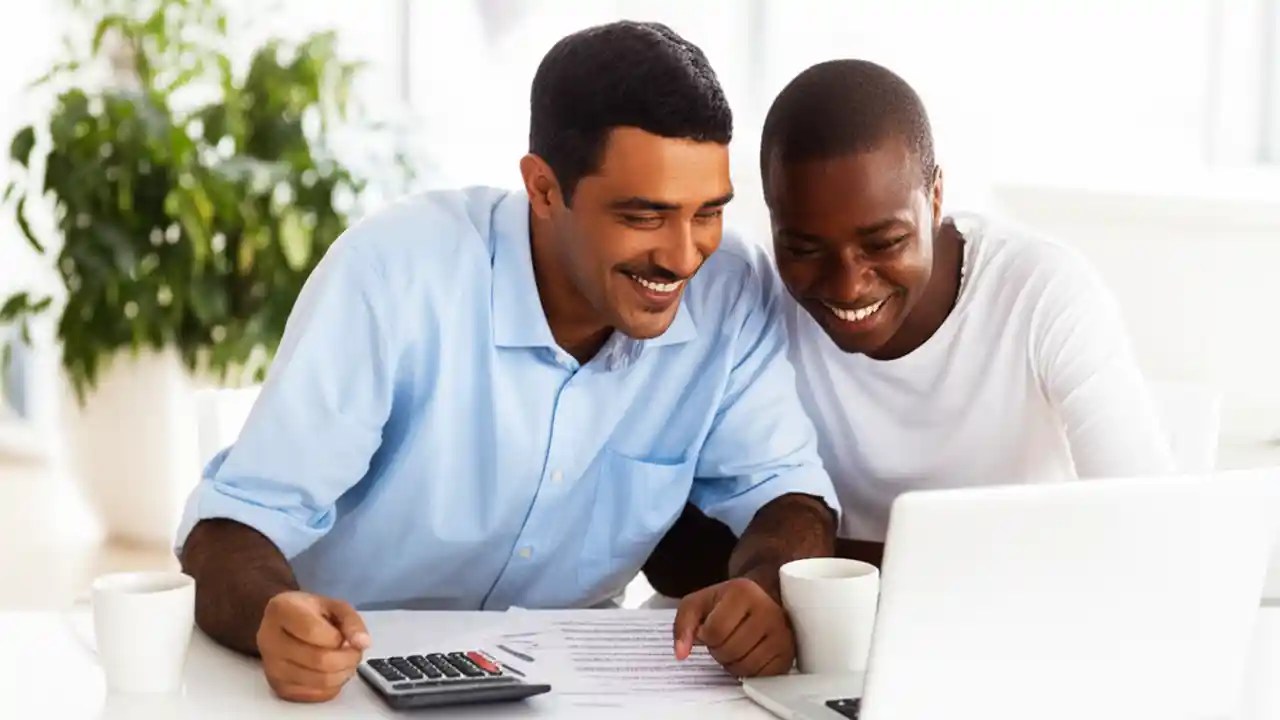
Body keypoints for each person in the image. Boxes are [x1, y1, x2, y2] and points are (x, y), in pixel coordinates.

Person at [176, 22, 839, 703]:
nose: (683, 255)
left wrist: (765, 589)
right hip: (348, 684)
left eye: (708, 212)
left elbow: (792, 498)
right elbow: (229, 532)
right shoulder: (395, 275)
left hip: (566, 693)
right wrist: (271, 619)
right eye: (645, 216)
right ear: (545, 190)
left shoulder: (730, 292)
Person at [643, 58, 1173, 596]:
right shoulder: (752, 299)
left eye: (884, 243)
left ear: (936, 196)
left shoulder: (1041, 294)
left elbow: (1146, 525)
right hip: (814, 639)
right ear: (772, 218)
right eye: (804, 248)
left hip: (1011, 624)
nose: (847, 286)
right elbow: (676, 550)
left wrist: (833, 570)